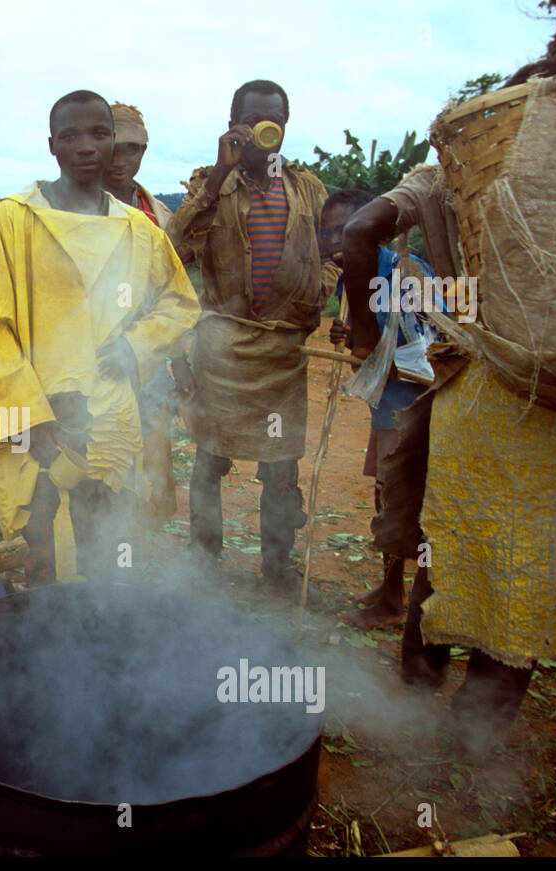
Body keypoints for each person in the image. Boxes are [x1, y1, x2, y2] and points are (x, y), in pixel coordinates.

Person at [340, 60, 556, 749]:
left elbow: (355, 235)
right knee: (532, 560)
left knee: (453, 545)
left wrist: (368, 330)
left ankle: (416, 692)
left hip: (485, 398)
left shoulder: (448, 177)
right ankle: (481, 726)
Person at [0, 90, 200, 584]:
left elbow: (180, 303)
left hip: (108, 416)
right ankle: (47, 644)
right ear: (51, 145)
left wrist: (134, 345)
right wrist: (31, 417)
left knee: (104, 542)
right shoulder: (16, 218)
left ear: (113, 142)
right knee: (41, 546)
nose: (86, 146)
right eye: (71, 135)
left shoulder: (140, 230)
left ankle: (93, 644)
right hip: (36, 415)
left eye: (99, 133)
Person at [166, 79, 338, 593]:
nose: (269, 129)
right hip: (222, 347)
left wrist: (315, 295)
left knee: (281, 466)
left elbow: (331, 252)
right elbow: (174, 249)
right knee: (209, 460)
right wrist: (222, 168)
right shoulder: (211, 183)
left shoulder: (307, 186)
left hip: (284, 350)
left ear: (286, 122)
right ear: (234, 120)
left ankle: (278, 568)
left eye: (277, 119)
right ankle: (203, 558)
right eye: (257, 118)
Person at [320, 188, 432, 629]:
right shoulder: (354, 275)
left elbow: (430, 352)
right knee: (386, 496)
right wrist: (352, 337)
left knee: (404, 501)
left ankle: (406, 605)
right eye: (326, 231)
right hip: (388, 408)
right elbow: (375, 339)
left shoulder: (404, 276)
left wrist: (377, 357)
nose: (335, 241)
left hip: (410, 411)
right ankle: (390, 590)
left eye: (345, 232)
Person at [104, 102, 181, 529]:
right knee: (98, 448)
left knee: (150, 444)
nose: (121, 159)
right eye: (113, 147)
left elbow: (176, 294)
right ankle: (98, 536)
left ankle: (137, 536)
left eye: (132, 149)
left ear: (144, 153)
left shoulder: (159, 216)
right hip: (92, 354)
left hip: (148, 355)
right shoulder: (72, 211)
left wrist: (181, 360)